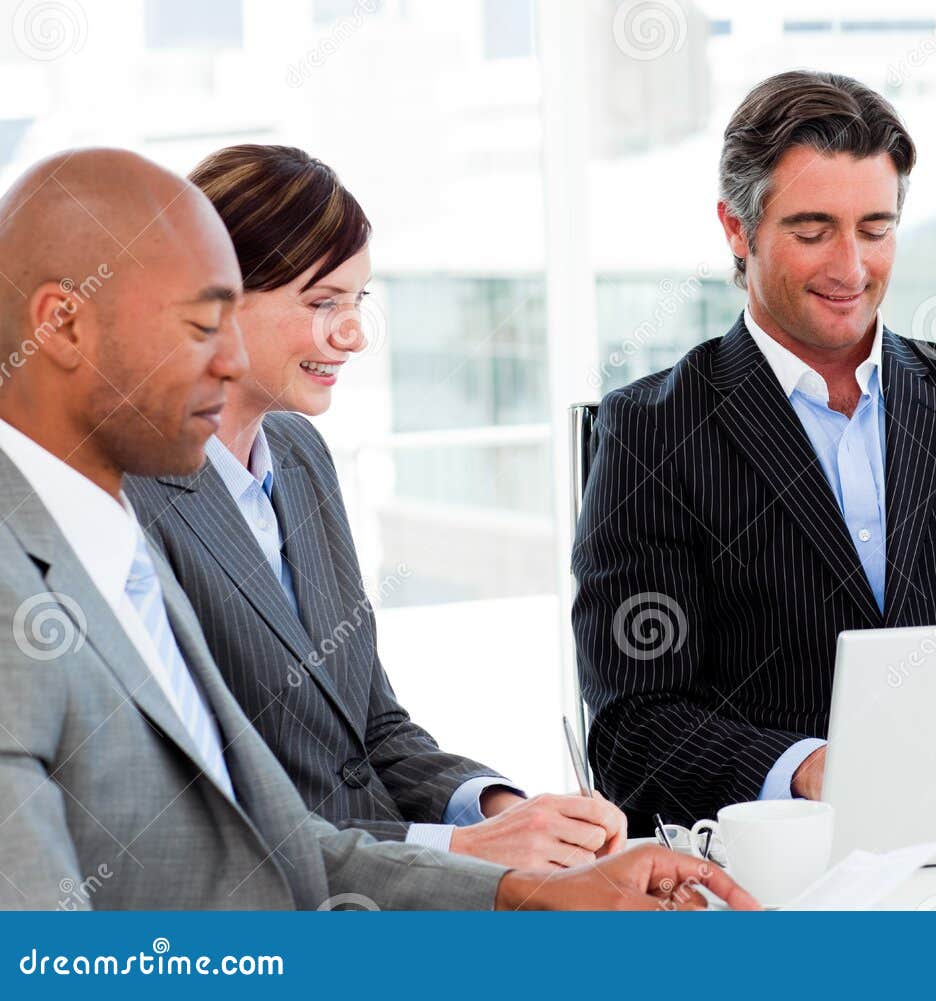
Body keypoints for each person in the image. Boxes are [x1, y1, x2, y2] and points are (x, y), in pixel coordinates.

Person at [0, 146, 755, 911]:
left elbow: (341, 756)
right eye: (204, 321)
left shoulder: (273, 464)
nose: (352, 335)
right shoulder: (104, 520)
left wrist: (507, 846)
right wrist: (484, 871)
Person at [573, 70, 936, 832]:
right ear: (737, 229)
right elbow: (634, 732)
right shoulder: (652, 431)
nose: (851, 268)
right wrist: (808, 769)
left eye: (875, 229)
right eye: (812, 230)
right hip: (781, 867)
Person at [126, 144, 625, 873]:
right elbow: (207, 808)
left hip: (393, 882)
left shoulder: (299, 455)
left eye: (359, 301)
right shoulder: (132, 495)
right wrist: (459, 852)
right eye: (323, 302)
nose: (354, 334)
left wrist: (501, 810)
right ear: (214, 297)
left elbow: (372, 727)